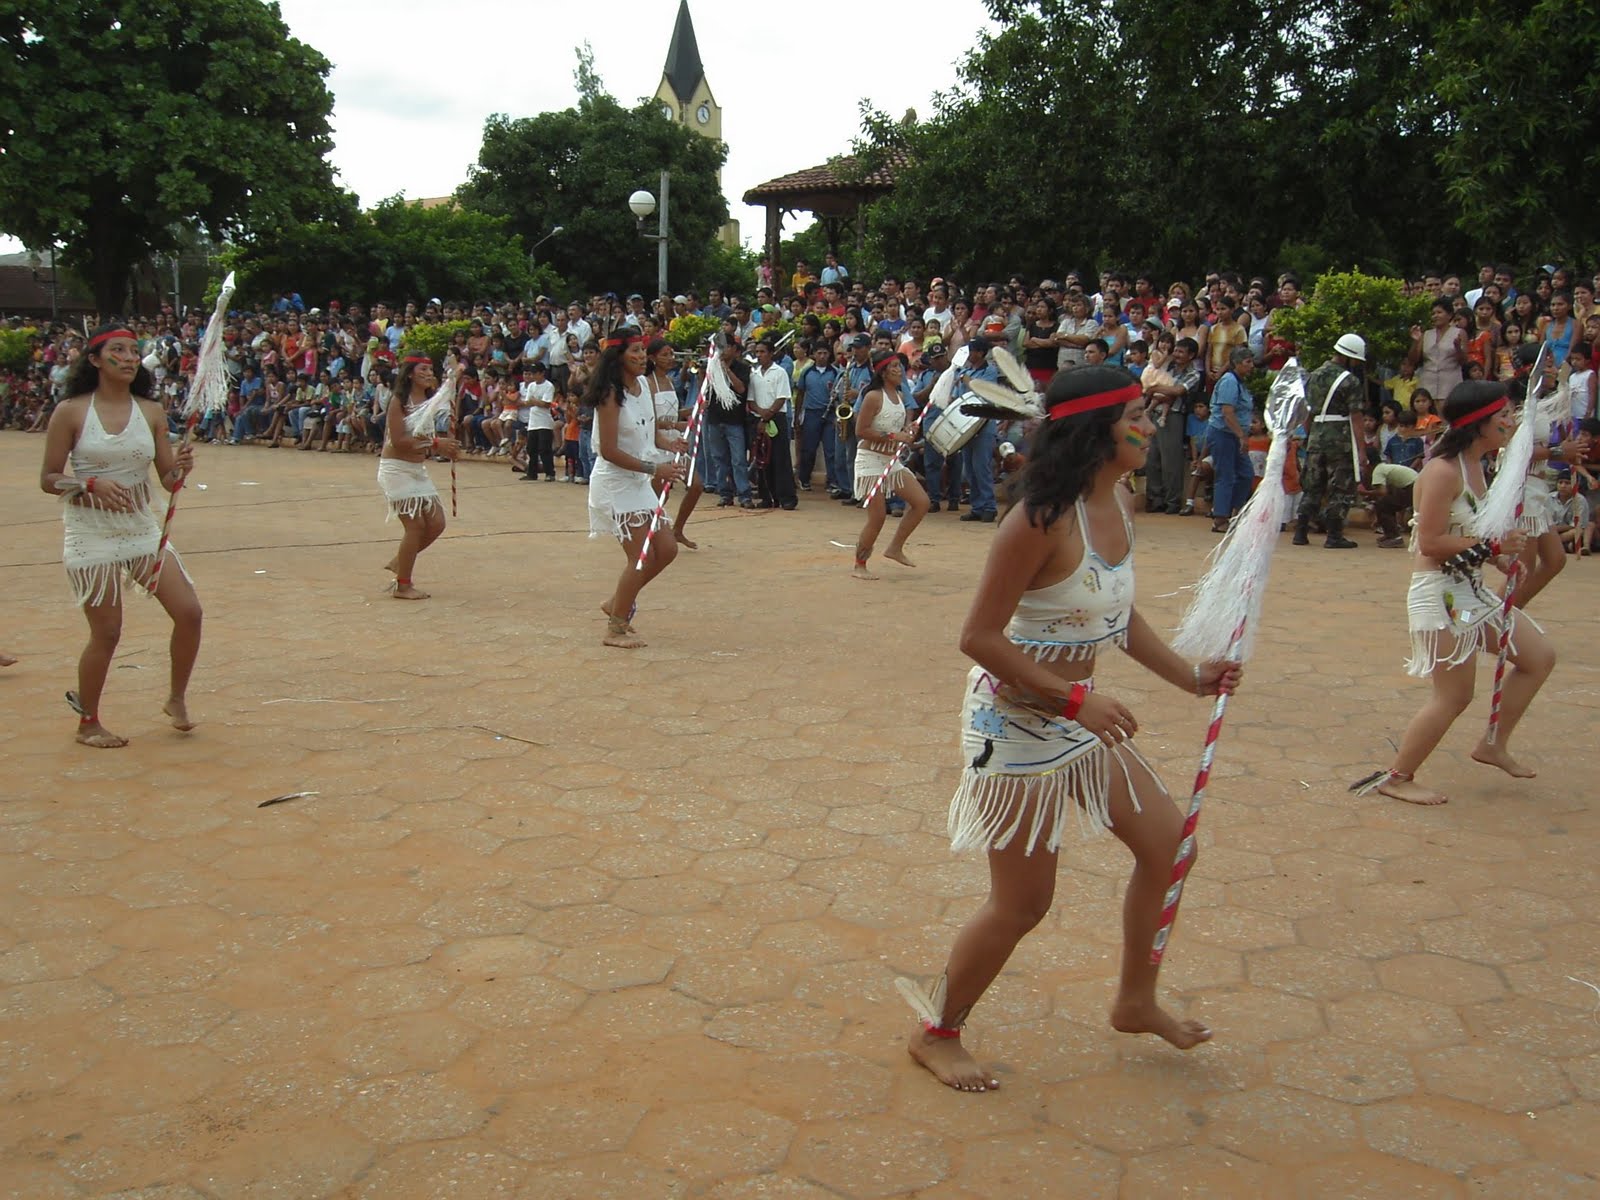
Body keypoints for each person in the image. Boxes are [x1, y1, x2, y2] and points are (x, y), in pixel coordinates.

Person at [898, 365, 1240, 1092]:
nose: (1150, 427)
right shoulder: (1037, 520)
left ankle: (1134, 999)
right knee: (1023, 904)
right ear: (1097, 431)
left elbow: (1116, 617)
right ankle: (937, 1031)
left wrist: (1190, 676)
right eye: (1136, 416)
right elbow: (980, 637)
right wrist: (1071, 700)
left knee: (1170, 847)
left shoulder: (1121, 505)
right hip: (1016, 721)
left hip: (1074, 714)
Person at [1357, 381, 1555, 806]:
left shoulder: (1475, 465)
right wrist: (1494, 549)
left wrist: (1497, 560)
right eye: (1503, 414)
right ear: (1478, 422)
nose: (1510, 421)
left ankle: (1493, 744)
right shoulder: (1444, 471)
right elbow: (1429, 543)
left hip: (1470, 597)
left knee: (1538, 657)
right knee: (1454, 695)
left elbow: (1465, 537)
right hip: (1441, 600)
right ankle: (1398, 776)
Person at [38, 325, 202, 748]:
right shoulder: (71, 411)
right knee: (107, 632)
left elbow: (167, 480)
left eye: (134, 351)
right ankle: (88, 722)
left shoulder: (150, 411)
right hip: (89, 531)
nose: (129, 358)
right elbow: (48, 479)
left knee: (189, 612)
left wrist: (180, 467)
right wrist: (87, 485)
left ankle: (176, 697)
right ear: (95, 360)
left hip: (140, 528)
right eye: (118, 350)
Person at [587, 329, 687, 648]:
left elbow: (649, 432)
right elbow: (609, 450)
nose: (642, 356)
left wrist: (670, 443)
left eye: (644, 351)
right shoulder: (609, 395)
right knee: (641, 557)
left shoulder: (642, 385)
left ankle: (616, 601)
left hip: (638, 480)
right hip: (615, 482)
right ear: (618, 357)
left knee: (667, 549)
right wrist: (654, 468)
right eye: (635, 351)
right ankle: (615, 627)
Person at [378, 354, 460, 600]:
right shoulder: (399, 401)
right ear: (411, 373)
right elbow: (400, 441)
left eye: (430, 368)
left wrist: (455, 373)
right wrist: (436, 444)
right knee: (415, 527)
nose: (427, 373)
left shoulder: (427, 399)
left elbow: (450, 388)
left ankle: (400, 561)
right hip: (396, 469)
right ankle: (403, 585)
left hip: (416, 470)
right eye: (422, 369)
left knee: (436, 524)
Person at [851, 349, 930, 578]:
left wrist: (909, 430)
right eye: (894, 367)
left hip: (891, 460)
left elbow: (902, 429)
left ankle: (895, 547)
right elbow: (861, 430)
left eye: (900, 366)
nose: (900, 370)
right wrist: (896, 437)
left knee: (921, 502)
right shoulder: (873, 396)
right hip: (870, 460)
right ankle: (859, 564)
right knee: (877, 517)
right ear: (884, 372)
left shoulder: (901, 395)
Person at [1295, 332, 1370, 548]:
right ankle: (1334, 535)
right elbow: (1356, 416)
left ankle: (1301, 532)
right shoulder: (1351, 381)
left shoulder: (1314, 375)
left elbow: (1307, 412)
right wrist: (1362, 450)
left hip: (1316, 434)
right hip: (1340, 438)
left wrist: (1310, 436)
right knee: (1341, 486)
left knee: (1312, 485)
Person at [1206, 346, 1256, 533]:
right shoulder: (1229, 381)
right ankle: (1220, 518)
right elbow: (1228, 413)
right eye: (1247, 362)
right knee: (1225, 474)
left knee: (1245, 474)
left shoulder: (1240, 382)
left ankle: (1236, 511)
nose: (1251, 366)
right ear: (1236, 363)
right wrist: (1241, 436)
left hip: (1234, 434)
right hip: (1224, 434)